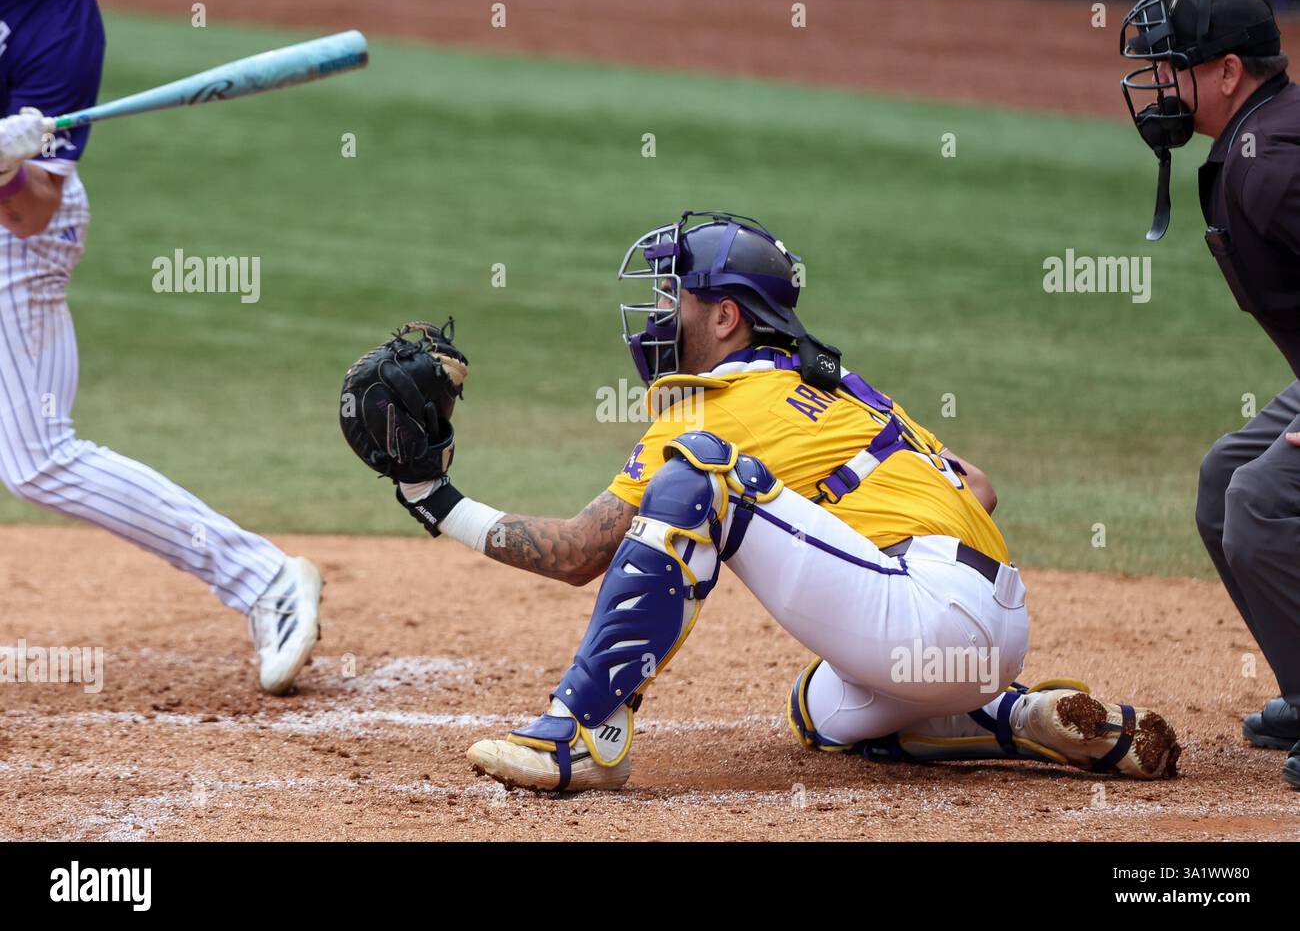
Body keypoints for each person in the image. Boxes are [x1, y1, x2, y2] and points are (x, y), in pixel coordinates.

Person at [376, 210, 1180, 792]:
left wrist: (432, 496)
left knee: (703, 475)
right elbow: (979, 489)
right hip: (987, 631)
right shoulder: (843, 390)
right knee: (819, 712)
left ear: (725, 316)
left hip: (926, 616)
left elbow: (582, 552)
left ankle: (582, 733)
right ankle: (1012, 717)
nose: (660, 312)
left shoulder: (702, 409)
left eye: (675, 296)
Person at [0, 0, 320, 694]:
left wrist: (7, 171)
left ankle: (263, 577)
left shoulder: (60, 25)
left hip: (16, 238)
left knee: (37, 458)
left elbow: (32, 213)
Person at [1122, 0, 1300, 787]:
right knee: (1225, 476)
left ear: (1230, 72)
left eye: (1175, 65)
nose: (1159, 85)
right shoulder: (1258, 143)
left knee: (1259, 505)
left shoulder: (1276, 170)